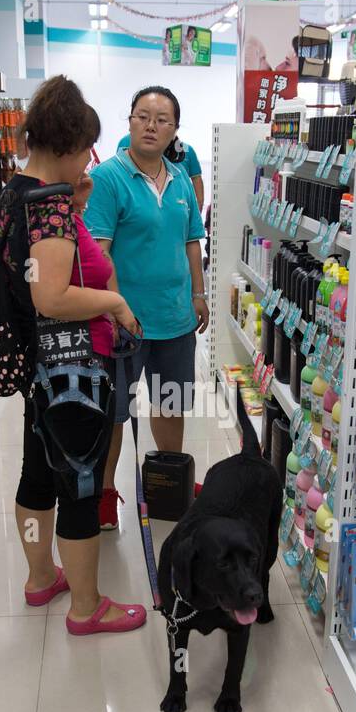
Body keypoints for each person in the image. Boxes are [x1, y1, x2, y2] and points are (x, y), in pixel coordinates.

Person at [0, 75, 145, 635]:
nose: (89, 159)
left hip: (37, 365)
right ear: (65, 145)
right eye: (85, 147)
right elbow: (53, 296)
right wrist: (113, 300)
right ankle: (88, 607)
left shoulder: (16, 193)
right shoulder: (52, 206)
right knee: (80, 484)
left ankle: (41, 578)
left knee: (36, 476)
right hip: (72, 365)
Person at [86, 86, 207, 531]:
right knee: (115, 413)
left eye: (162, 119)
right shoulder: (109, 179)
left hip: (175, 318)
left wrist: (199, 293)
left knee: (171, 402)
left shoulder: (179, 180)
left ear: (175, 129)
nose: (151, 125)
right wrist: (117, 309)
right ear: (130, 121)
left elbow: (192, 240)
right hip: (124, 323)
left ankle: (169, 479)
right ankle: (104, 494)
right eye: (142, 116)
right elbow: (101, 253)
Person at [114, 130, 204, 211]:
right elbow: (120, 174)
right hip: (138, 207)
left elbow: (196, 178)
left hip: (177, 208)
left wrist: (197, 211)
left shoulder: (186, 149)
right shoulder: (126, 141)